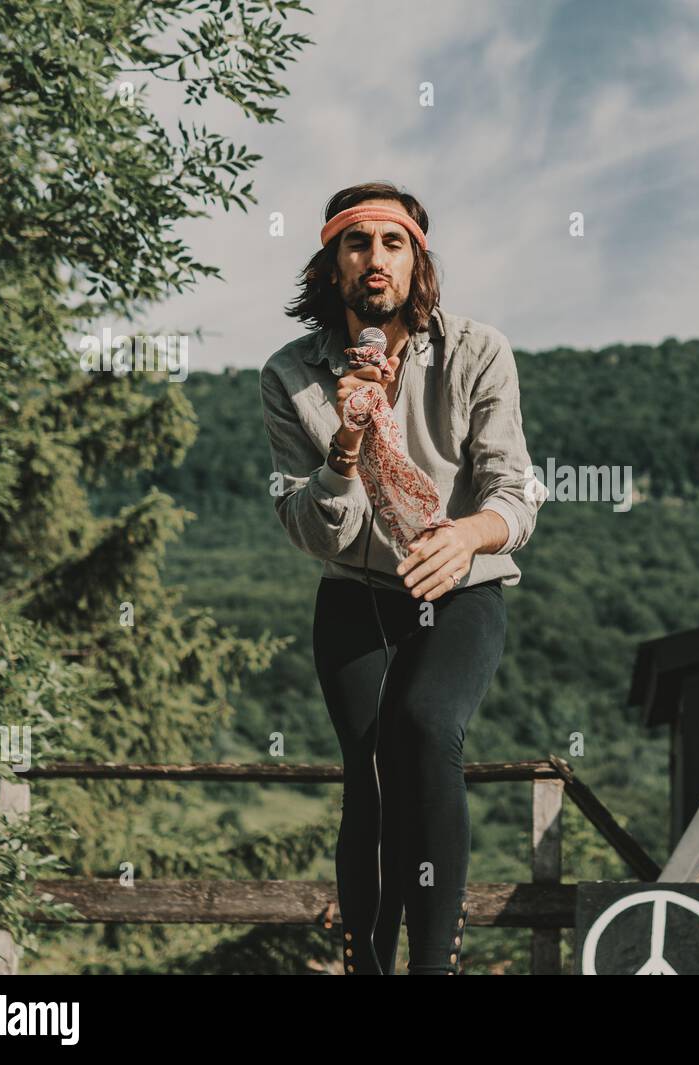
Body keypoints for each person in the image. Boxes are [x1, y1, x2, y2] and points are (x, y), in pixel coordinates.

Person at [259, 182, 545, 974]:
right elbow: (313, 529)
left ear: (417, 260)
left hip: (460, 581)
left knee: (423, 726)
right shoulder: (290, 376)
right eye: (357, 244)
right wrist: (346, 446)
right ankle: (369, 965)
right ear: (332, 264)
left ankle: (433, 967)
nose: (374, 259)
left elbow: (515, 489)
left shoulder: (477, 350)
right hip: (356, 591)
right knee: (370, 768)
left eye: (393, 243)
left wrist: (468, 537)